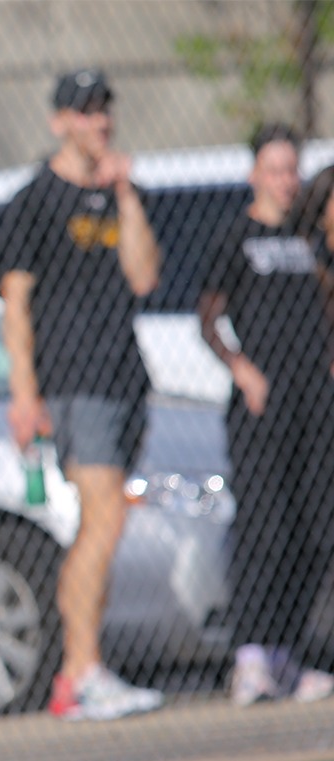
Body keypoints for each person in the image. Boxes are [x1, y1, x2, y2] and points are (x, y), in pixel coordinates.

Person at [0, 69, 165, 722]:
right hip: (73, 381)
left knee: (102, 526)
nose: (100, 123)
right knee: (104, 520)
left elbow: (146, 277)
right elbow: (15, 305)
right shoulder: (34, 200)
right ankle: (83, 668)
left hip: (126, 375)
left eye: (104, 111)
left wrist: (125, 195)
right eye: (86, 113)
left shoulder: (124, 194)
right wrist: (24, 394)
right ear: (60, 121)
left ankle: (78, 672)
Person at [197, 124, 334, 705]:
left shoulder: (310, 242)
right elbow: (207, 317)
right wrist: (241, 367)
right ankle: (250, 653)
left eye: (291, 170)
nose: (285, 181)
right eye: (274, 170)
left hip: (314, 403)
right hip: (263, 406)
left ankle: (287, 653)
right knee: (266, 527)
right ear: (254, 174)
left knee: (314, 527)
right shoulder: (235, 238)